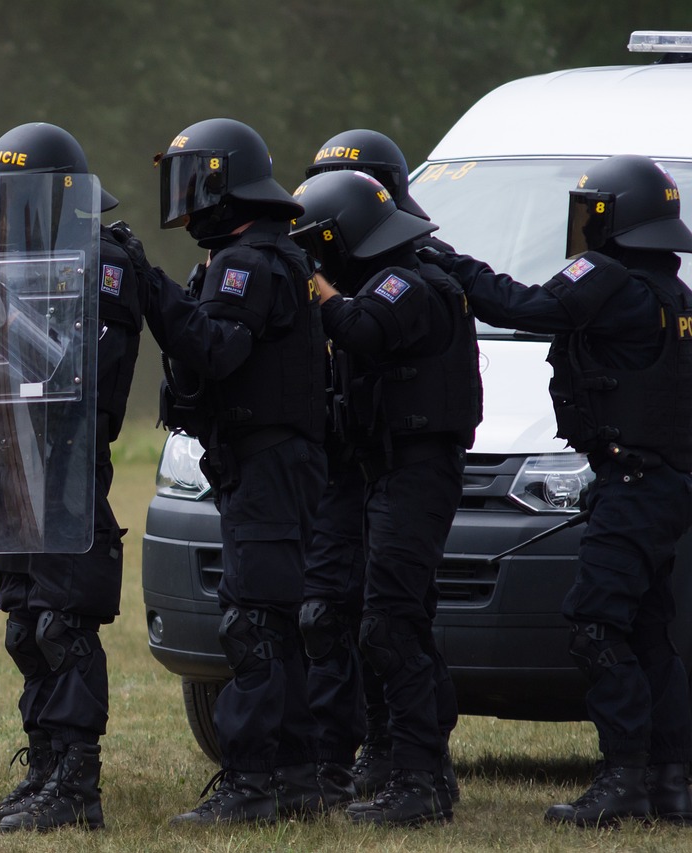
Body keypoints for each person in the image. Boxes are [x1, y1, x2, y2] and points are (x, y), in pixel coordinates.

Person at [429, 154, 692, 827]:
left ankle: (624, 781)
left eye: (594, 211)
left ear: (617, 218)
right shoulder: (674, 294)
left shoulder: (606, 278)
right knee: (648, 630)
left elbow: (521, 305)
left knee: (597, 626)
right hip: (660, 484)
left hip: (631, 486)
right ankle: (669, 782)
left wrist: (446, 259)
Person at [115, 117, 329, 825]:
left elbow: (215, 349)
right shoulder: (254, 258)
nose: (185, 197)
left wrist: (148, 284)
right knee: (271, 616)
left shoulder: (251, 264)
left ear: (226, 184)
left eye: (194, 179)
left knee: (255, 622)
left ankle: (252, 782)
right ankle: (297, 776)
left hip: (269, 464)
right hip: (262, 463)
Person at [0, 122, 145, 833]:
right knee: (26, 626)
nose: (4, 216)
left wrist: (4, 318)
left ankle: (76, 784)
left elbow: (79, 374)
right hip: (13, 463)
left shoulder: (103, 260)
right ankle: (42, 767)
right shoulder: (12, 264)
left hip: (65, 466)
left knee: (64, 624)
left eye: (17, 199)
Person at [289, 167, 482, 826]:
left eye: (319, 243)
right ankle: (418, 769)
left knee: (390, 623)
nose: (317, 257)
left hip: (416, 470)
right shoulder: (397, 276)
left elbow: (360, 328)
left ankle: (420, 781)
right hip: (391, 470)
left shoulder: (407, 281)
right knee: (395, 621)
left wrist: (310, 283)